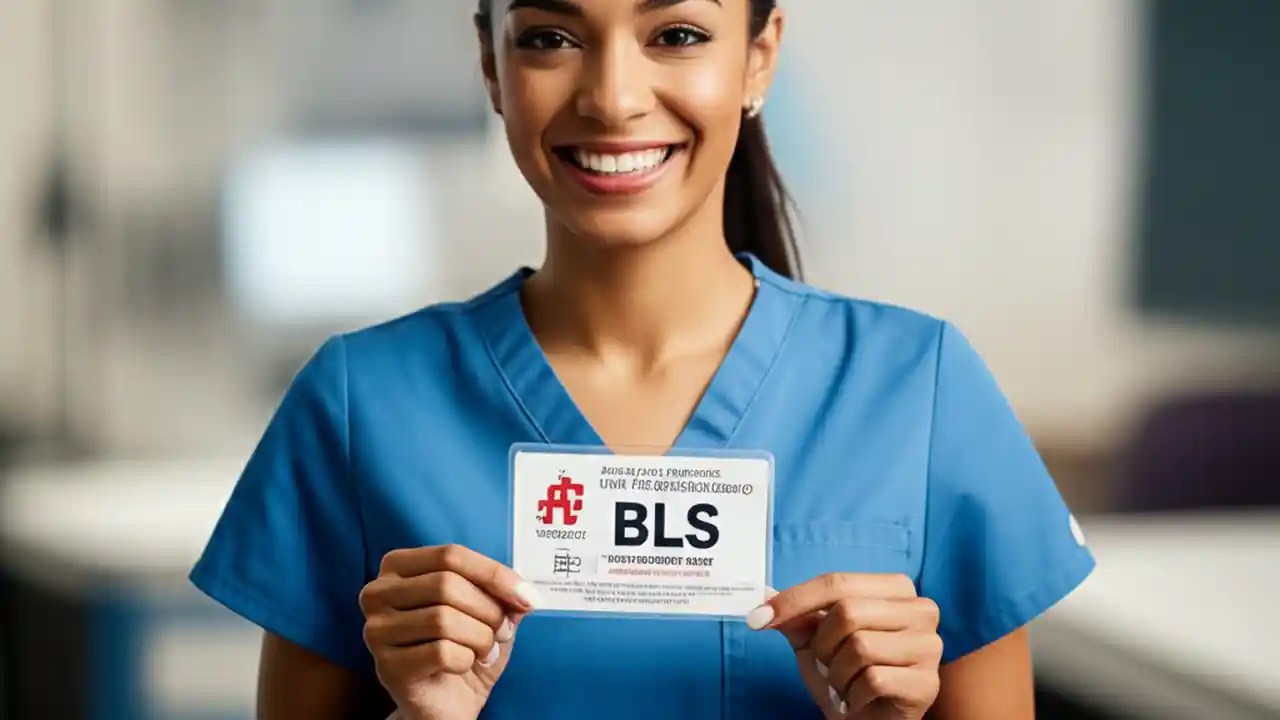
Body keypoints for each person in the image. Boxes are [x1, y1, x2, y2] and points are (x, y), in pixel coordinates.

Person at [190, 0, 1095, 717]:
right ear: (490, 67)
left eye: (678, 34)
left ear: (758, 56)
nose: (613, 97)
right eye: (548, 36)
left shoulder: (920, 389)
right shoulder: (360, 403)